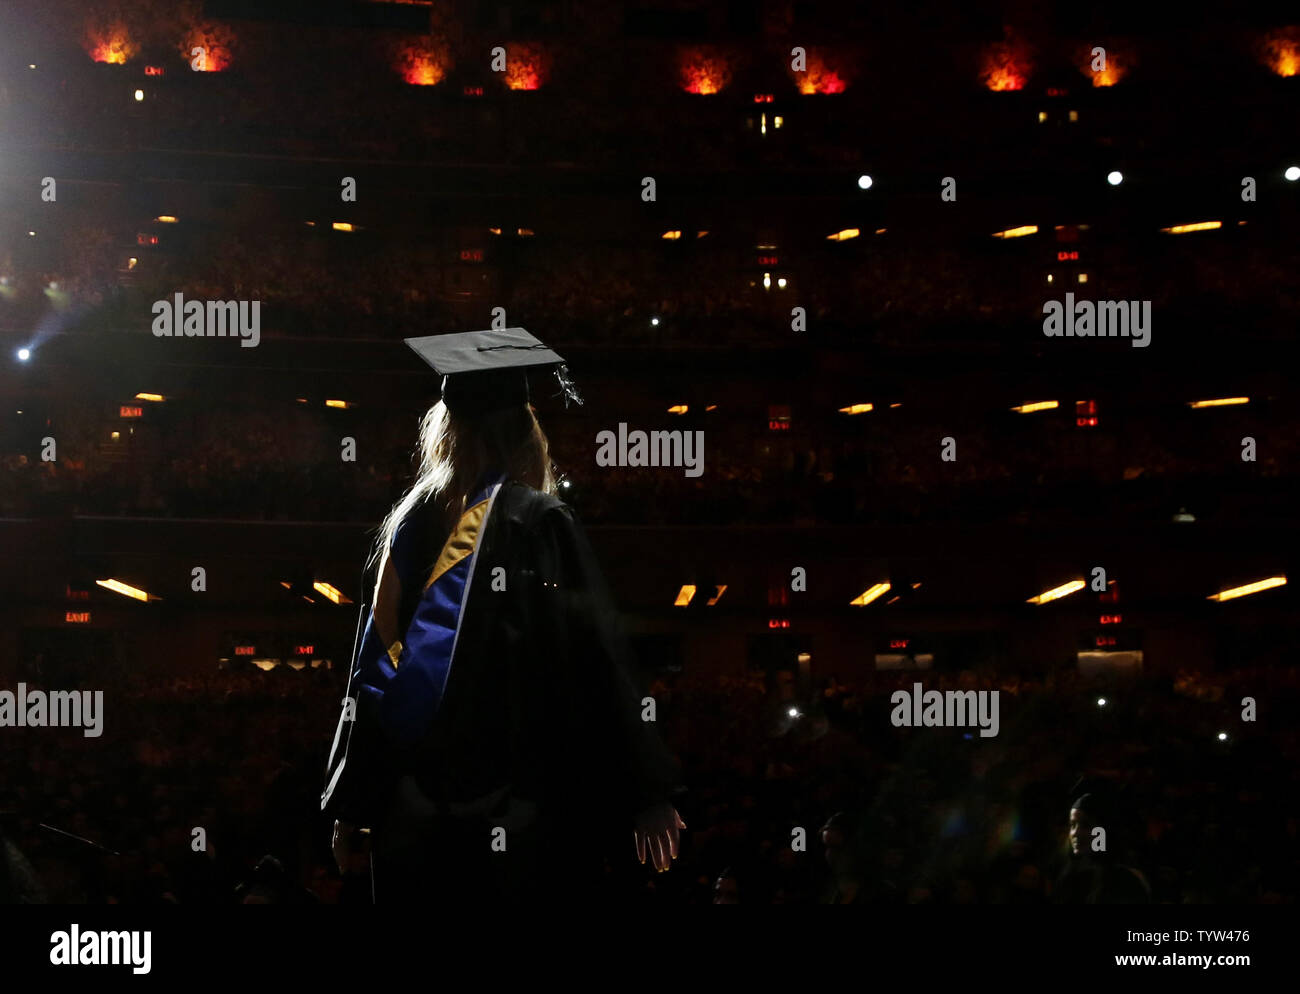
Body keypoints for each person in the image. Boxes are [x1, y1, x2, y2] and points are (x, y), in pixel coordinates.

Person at [322, 327, 685, 905]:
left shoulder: (405, 528)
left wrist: (354, 805)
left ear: (447, 427)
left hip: (413, 818)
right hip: (519, 810)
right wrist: (648, 790)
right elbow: (596, 657)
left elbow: (370, 676)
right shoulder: (538, 522)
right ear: (525, 431)